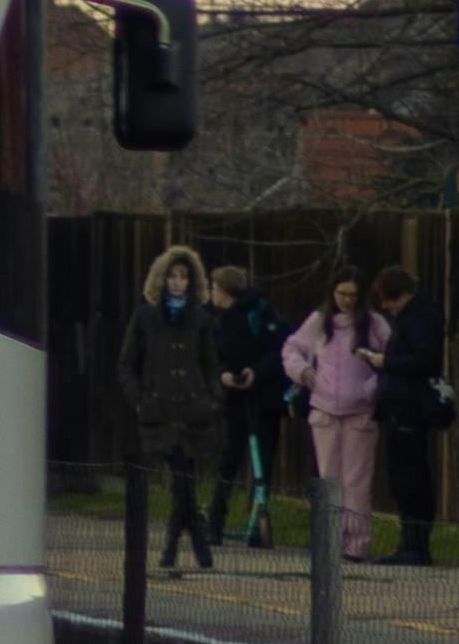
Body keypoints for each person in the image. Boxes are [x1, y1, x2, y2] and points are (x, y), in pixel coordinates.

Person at [118, 245, 221, 573]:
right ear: (161, 279)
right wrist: (139, 399)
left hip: (193, 413)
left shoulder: (200, 319)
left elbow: (211, 364)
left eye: (183, 277)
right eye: (172, 276)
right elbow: (126, 364)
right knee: (181, 480)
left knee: (184, 481)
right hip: (159, 413)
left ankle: (175, 548)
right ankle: (192, 545)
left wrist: (211, 399)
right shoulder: (146, 317)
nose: (177, 283)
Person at [281, 272, 390, 559]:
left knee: (356, 481)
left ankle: (357, 544)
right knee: (329, 478)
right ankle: (329, 539)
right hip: (325, 410)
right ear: (332, 293)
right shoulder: (319, 321)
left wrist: (370, 388)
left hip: (361, 412)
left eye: (352, 295)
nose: (347, 300)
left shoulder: (375, 323)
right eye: (341, 294)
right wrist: (302, 371)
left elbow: (391, 359)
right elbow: (291, 348)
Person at [372, 266, 456, 564]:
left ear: (401, 295)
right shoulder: (414, 315)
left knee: (410, 477)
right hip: (401, 405)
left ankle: (416, 545)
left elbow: (424, 360)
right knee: (402, 476)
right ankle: (409, 542)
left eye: (390, 299)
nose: (386, 306)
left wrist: (386, 361)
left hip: (410, 406)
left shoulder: (419, 318)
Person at [204, 263, 283, 553]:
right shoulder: (220, 321)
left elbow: (279, 350)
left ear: (224, 292)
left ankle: (257, 522)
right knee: (229, 459)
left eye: (214, 289)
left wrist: (256, 372)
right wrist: (224, 373)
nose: (211, 294)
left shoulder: (262, 313)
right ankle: (216, 522)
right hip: (235, 399)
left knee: (261, 463)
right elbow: (215, 356)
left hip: (263, 398)